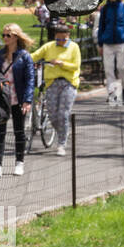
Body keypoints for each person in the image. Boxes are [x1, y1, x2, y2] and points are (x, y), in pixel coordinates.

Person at [30, 20, 81, 157]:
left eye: (63, 39)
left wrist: (61, 63)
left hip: (68, 83)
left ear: (68, 36)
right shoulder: (49, 47)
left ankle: (61, 143)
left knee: (63, 114)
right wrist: (24, 58)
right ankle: (62, 132)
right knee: (53, 115)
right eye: (58, 38)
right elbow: (34, 56)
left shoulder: (74, 47)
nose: (60, 41)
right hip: (52, 82)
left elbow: (76, 66)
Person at [0, 24, 35, 177]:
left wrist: (27, 100)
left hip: (19, 99)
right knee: (0, 132)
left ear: (16, 37)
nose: (4, 38)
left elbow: (30, 79)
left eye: (8, 35)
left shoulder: (24, 56)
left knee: (19, 131)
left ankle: (19, 162)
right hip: (2, 99)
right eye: (3, 35)